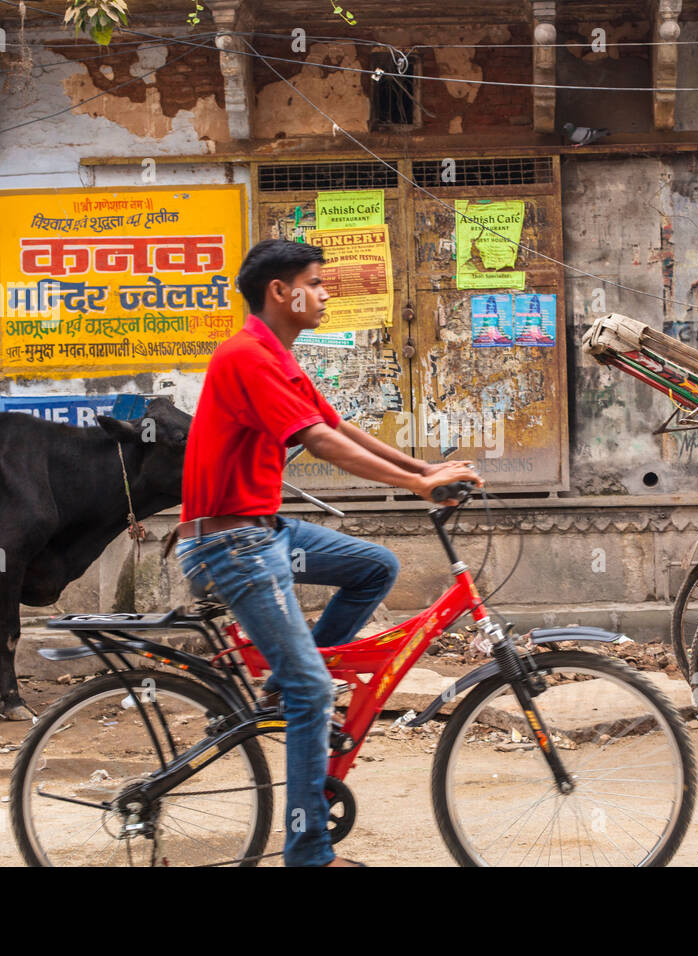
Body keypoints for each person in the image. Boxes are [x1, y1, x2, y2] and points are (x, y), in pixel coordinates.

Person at [174, 239, 482, 867]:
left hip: (264, 533)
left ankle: (294, 681)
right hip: (229, 543)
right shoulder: (246, 356)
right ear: (280, 292)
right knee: (315, 691)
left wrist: (424, 466)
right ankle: (308, 853)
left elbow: (337, 425)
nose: (324, 295)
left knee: (375, 567)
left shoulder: (278, 357)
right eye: (315, 284)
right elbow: (316, 442)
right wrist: (417, 485)